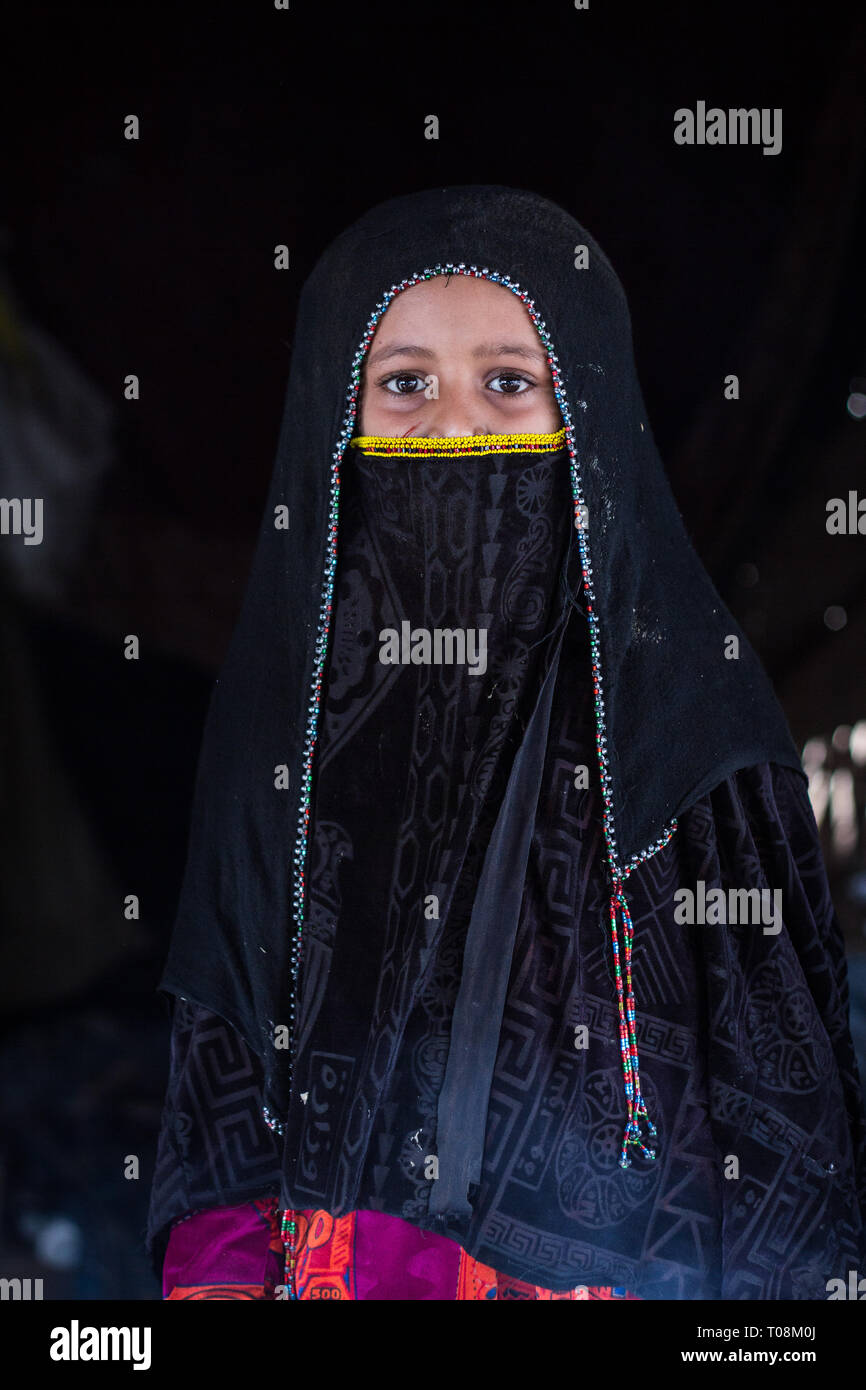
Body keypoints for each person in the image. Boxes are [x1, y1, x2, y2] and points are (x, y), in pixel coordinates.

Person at [146, 185, 866, 1300]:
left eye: (507, 383)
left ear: (585, 413)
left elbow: (786, 1154)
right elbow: (221, 1101)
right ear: (333, 424)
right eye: (403, 386)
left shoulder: (691, 738)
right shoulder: (279, 742)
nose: (452, 427)